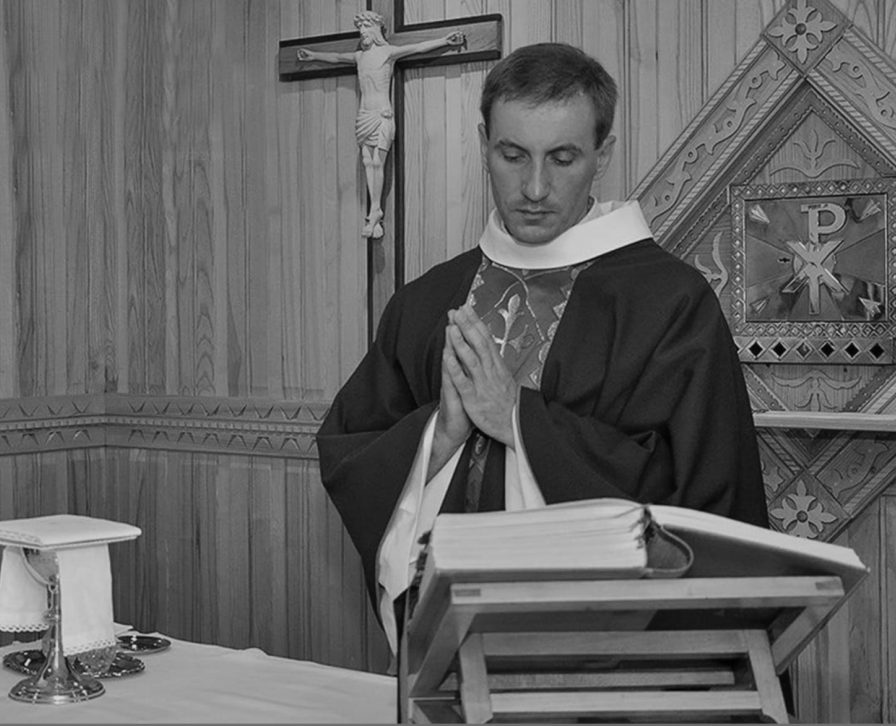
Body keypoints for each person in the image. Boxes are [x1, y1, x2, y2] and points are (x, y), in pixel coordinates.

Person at [316, 42, 768, 653]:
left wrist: (517, 420)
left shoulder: (670, 304)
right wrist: (437, 438)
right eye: (512, 155)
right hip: (448, 649)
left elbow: (705, 498)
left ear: (602, 154)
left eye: (562, 158)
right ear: (484, 145)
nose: (534, 187)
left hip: (612, 667)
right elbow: (352, 448)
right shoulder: (427, 301)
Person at [298, 12, 465, 238]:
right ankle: (374, 209)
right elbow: (336, 57)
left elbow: (418, 48)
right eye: (361, 33)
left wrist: (445, 41)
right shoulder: (359, 57)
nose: (363, 36)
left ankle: (375, 211)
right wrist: (313, 56)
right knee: (367, 161)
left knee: (378, 162)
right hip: (364, 115)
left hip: (381, 114)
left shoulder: (387, 53)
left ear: (375, 31)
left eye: (366, 31)